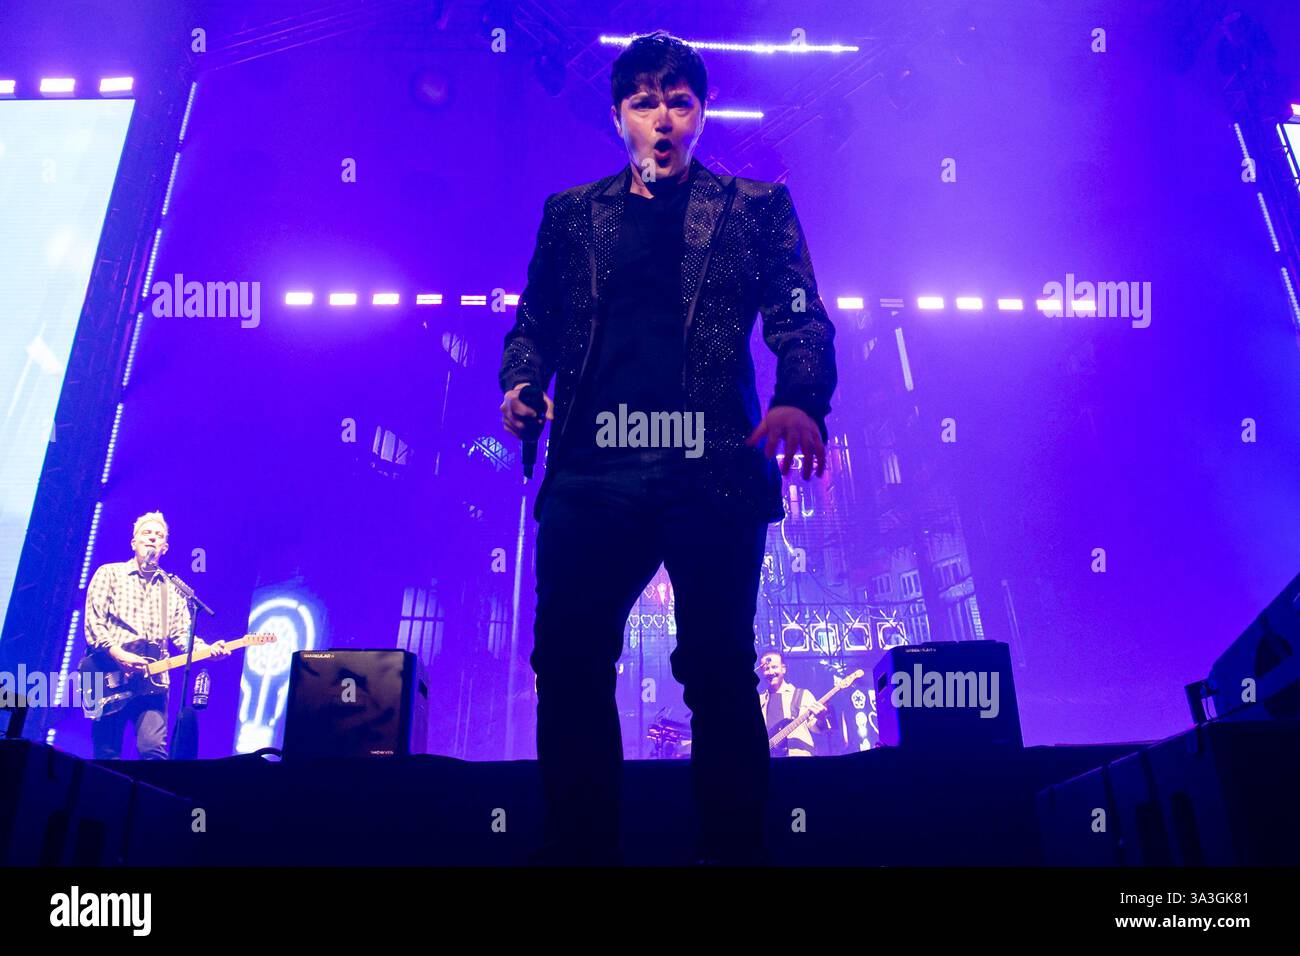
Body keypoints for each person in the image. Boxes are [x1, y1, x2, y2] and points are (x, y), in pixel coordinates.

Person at [499, 32, 837, 864]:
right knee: (572, 664)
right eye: (644, 101)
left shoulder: (756, 208)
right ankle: (582, 853)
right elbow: (532, 324)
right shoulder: (571, 213)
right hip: (593, 466)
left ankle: (733, 856)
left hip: (712, 467)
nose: (663, 117)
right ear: (618, 116)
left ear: (702, 111)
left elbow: (802, 319)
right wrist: (518, 383)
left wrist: (799, 399)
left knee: (718, 668)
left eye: (678, 100)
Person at [84, 511, 228, 759]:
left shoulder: (172, 589)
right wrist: (118, 653)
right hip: (109, 671)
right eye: (146, 533)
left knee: (154, 752)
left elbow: (182, 634)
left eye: (158, 535)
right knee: (106, 753)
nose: (152, 538)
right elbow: (93, 624)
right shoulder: (108, 573)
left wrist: (208, 650)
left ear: (165, 547)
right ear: (134, 542)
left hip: (153, 681)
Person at [758, 650, 828, 757]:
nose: (771, 672)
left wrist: (821, 718)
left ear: (783, 669)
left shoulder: (802, 695)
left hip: (799, 760)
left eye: (774, 667)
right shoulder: (759, 700)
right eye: (766, 669)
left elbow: (818, 729)